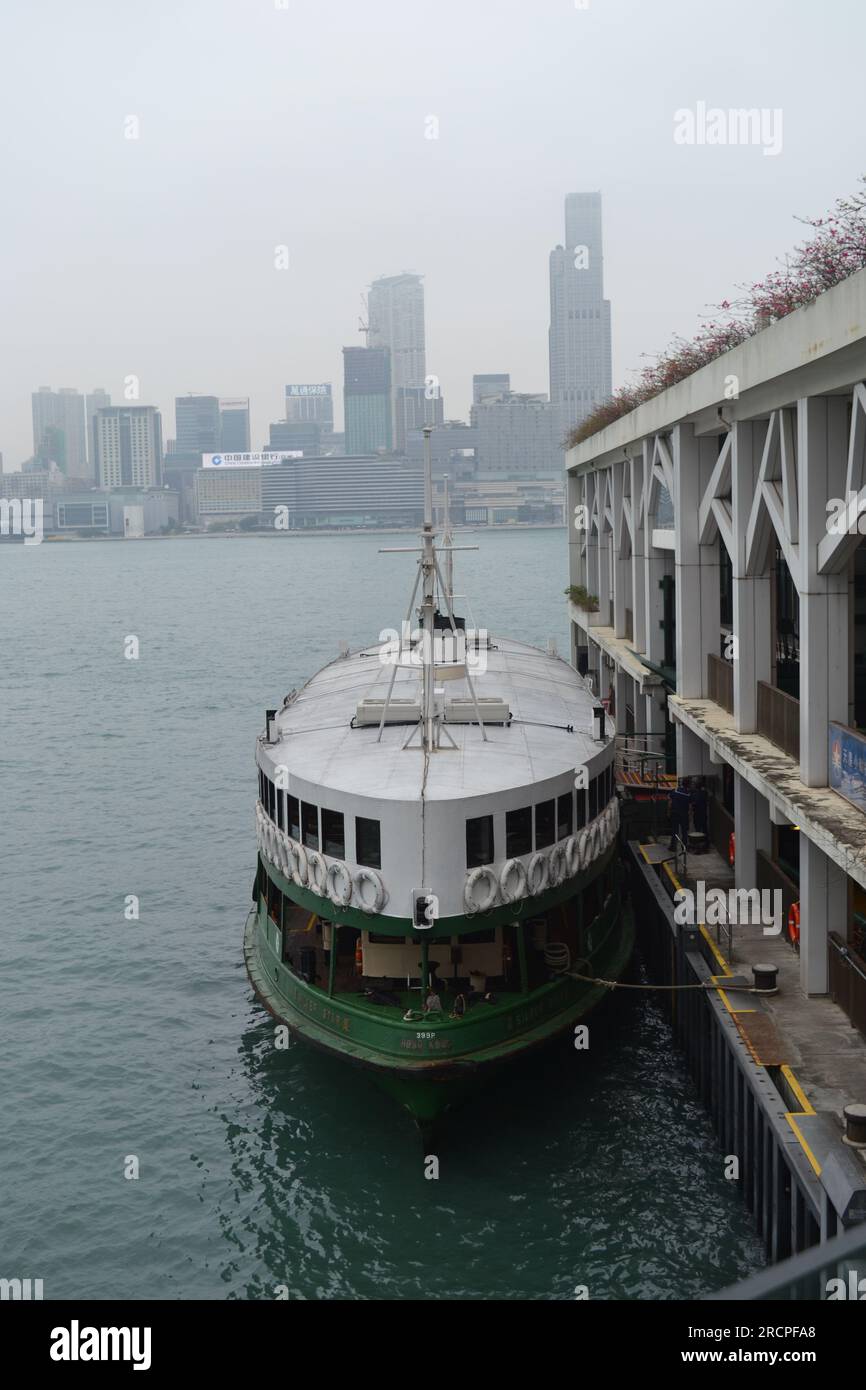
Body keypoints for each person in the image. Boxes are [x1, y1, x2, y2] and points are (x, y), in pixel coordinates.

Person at [668, 779, 691, 851]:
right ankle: (684, 847)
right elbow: (690, 807)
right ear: (688, 785)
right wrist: (689, 816)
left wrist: (668, 812)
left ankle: (673, 846)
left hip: (674, 813)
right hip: (684, 814)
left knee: (675, 831)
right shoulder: (688, 794)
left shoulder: (675, 790)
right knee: (684, 831)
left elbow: (669, 802)